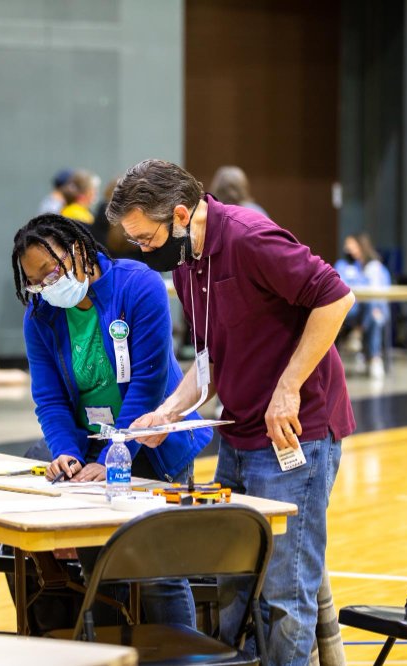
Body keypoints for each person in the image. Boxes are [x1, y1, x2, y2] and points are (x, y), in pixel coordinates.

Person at [109, 159, 355, 666]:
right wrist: (168, 411)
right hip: (238, 436)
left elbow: (335, 298)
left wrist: (288, 388)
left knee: (284, 594)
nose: (142, 251)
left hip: (295, 434)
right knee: (231, 586)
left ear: (180, 214)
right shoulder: (184, 262)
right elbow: (209, 362)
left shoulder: (249, 238)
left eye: (146, 239)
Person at [12, 213, 210, 629]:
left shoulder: (138, 285)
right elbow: (49, 399)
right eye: (35, 281)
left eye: (50, 272)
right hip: (91, 457)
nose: (45, 287)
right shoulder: (40, 317)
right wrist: (67, 452)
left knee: (158, 573)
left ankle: (178, 656)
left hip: (152, 442)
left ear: (79, 250)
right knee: (98, 570)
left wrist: (114, 456)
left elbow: (149, 383)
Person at [334, 233, 391, 379]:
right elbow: (339, 286)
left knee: (373, 310)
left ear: (361, 246)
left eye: (351, 245)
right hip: (351, 311)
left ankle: (357, 333)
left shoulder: (374, 267)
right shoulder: (342, 265)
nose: (347, 248)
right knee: (374, 315)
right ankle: (374, 358)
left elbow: (381, 290)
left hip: (370, 309)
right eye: (346, 245)